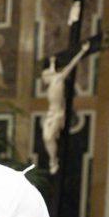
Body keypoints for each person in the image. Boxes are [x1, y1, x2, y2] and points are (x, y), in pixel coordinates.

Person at [40, 39, 90, 174]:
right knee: (46, 137)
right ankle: (53, 158)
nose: (43, 79)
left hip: (58, 114)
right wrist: (52, 63)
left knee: (49, 137)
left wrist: (83, 51)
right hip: (50, 114)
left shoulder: (58, 79)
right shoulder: (52, 82)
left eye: (45, 76)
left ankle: (53, 161)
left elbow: (72, 64)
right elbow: (52, 69)